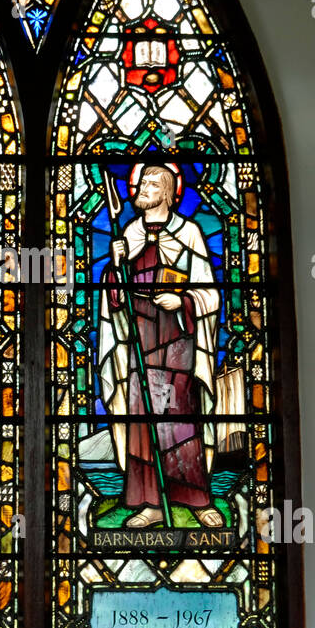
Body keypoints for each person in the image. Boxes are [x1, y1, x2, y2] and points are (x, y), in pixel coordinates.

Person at [98, 163, 225, 528]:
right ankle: (150, 504)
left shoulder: (189, 234)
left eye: (152, 183)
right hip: (140, 336)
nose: (141, 187)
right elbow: (115, 293)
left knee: (180, 417)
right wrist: (116, 265)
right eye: (141, 182)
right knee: (142, 420)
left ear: (168, 192)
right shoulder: (130, 232)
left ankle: (197, 499)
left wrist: (182, 300)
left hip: (176, 339)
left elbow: (209, 292)